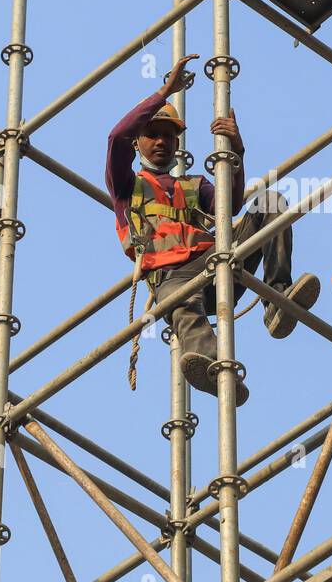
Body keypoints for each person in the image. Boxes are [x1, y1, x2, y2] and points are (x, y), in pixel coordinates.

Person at [107, 54, 320, 404]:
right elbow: (116, 138)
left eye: (168, 136)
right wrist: (164, 93)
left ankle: (276, 300)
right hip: (171, 275)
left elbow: (231, 205)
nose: (161, 141)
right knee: (184, 310)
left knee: (272, 204)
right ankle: (217, 371)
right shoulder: (127, 186)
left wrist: (236, 151)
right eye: (152, 135)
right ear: (139, 142)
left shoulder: (193, 184)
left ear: (177, 144)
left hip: (216, 261)